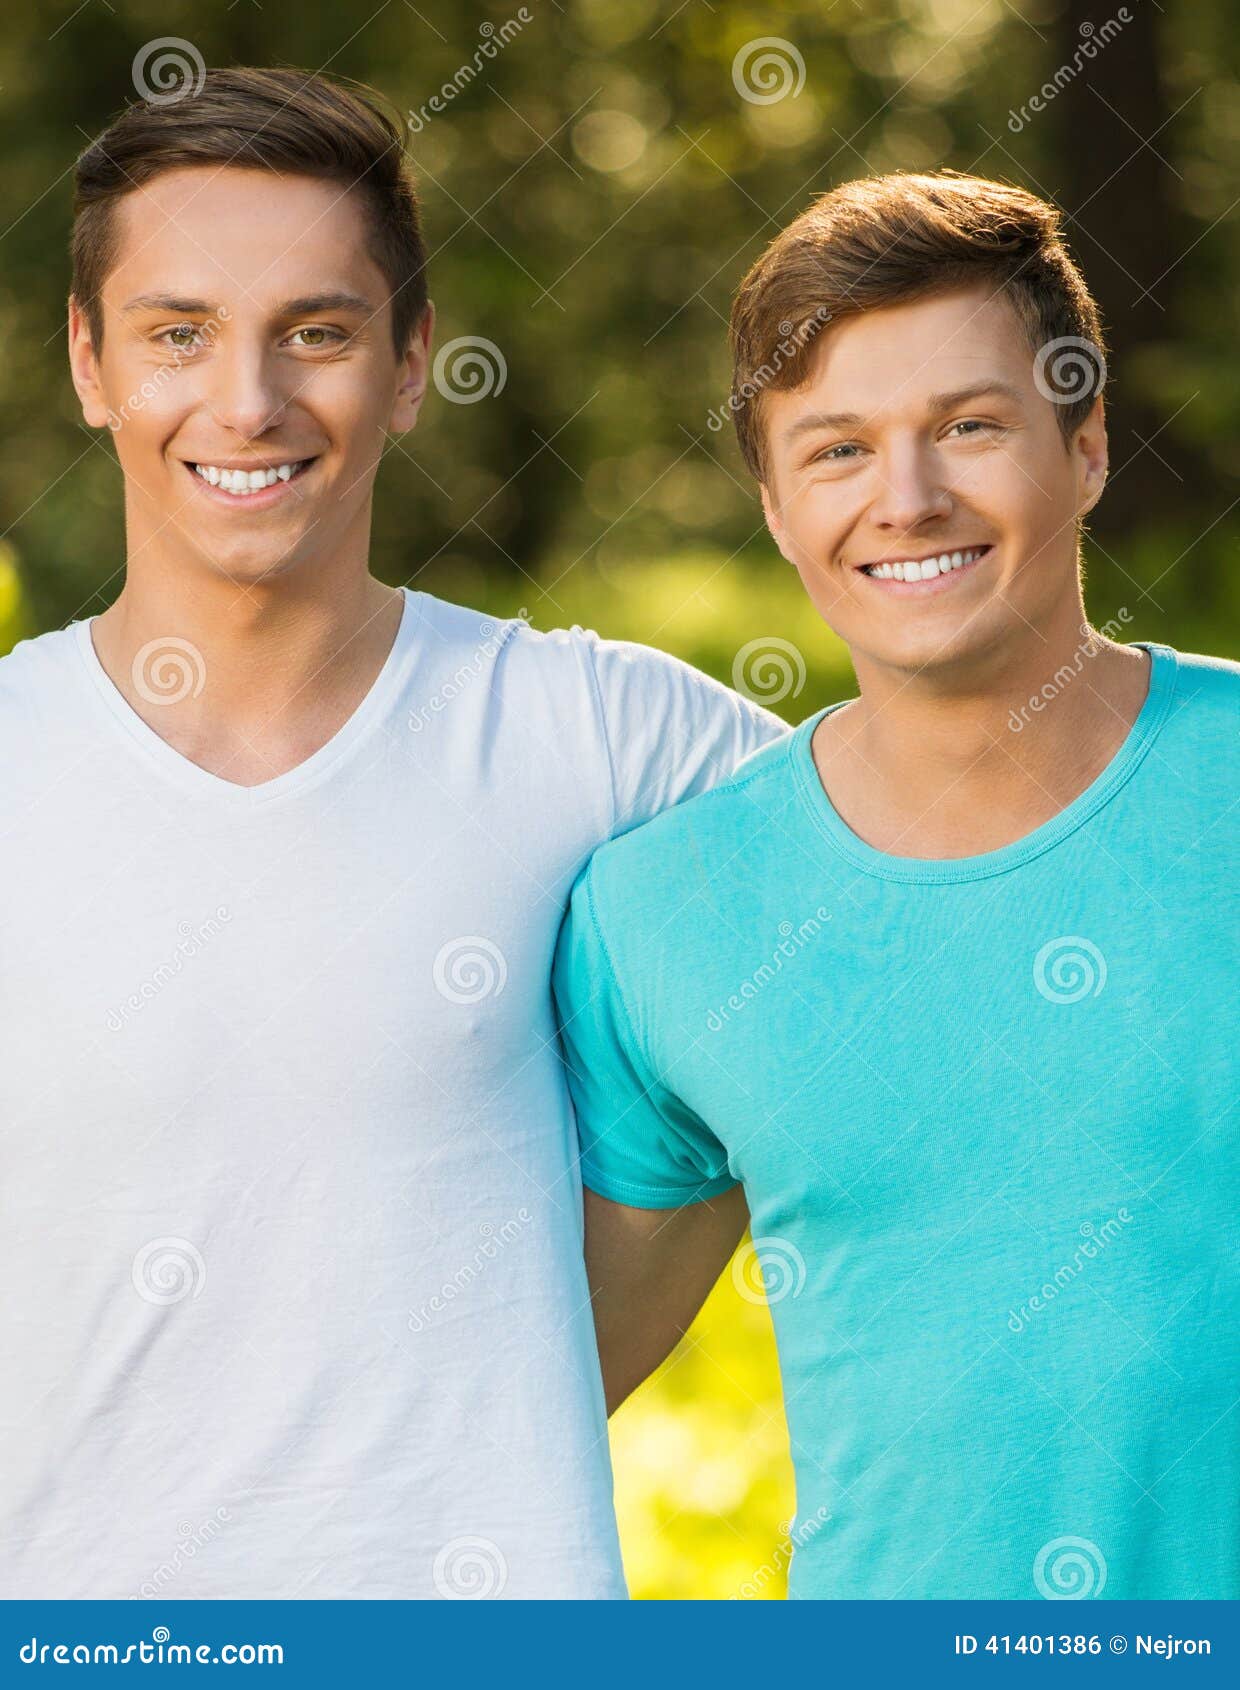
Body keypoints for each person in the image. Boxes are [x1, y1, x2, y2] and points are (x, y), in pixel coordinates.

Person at [0, 67, 785, 1600]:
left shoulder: (611, 739)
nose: (248, 401)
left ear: (413, 363)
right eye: (179, 334)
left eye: (319, 331)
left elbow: (946, 858)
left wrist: (542, 1370)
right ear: (90, 364)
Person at [554, 171, 1239, 1600]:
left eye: (970, 427)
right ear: (775, 501)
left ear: (1089, 443)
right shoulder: (663, 912)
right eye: (839, 449)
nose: (908, 498)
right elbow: (530, 1393)